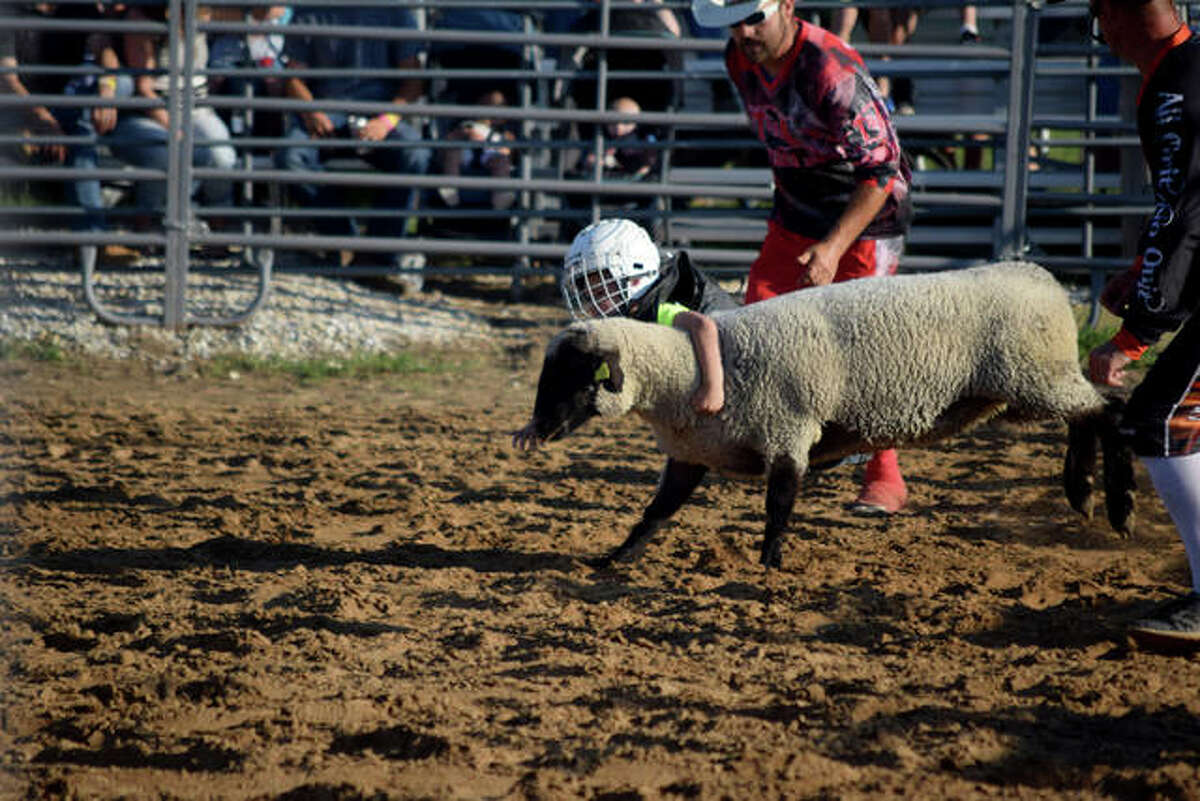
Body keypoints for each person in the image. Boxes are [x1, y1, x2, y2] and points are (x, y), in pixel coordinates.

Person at [693, 0, 913, 516]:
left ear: (787, 6)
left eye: (754, 19)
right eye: (733, 23)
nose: (743, 33)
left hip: (865, 215)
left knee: (866, 344)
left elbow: (881, 171)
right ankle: (784, 441)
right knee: (757, 319)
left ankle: (885, 473)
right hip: (796, 205)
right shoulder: (739, 60)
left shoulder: (832, 72)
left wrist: (835, 247)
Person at [1083, 0, 1200, 645]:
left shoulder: (1177, 87)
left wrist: (1135, 336)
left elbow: (1186, 219)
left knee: (1160, 416)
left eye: (1103, 8)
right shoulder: (1181, 71)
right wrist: (1142, 269)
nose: (1099, 25)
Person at [512, 218, 738, 450]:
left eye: (599, 291)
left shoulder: (658, 310)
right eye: (588, 293)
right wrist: (543, 425)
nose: (592, 302)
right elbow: (587, 390)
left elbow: (705, 327)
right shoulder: (620, 324)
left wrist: (712, 389)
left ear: (635, 279)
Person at [276, 5, 432, 290]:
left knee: (415, 154)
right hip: (324, 113)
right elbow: (293, 76)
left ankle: (377, 255)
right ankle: (346, 241)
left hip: (381, 116)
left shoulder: (397, 12)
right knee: (290, 158)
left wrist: (385, 120)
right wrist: (312, 113)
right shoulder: (308, 11)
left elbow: (413, 81)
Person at [1, 2, 131, 248]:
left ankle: (91, 242)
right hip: (13, 108)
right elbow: (6, 80)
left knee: (80, 135)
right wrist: (42, 121)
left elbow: (105, 49)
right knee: (79, 136)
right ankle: (92, 240)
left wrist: (107, 88)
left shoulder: (80, 7)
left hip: (59, 105)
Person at [108, 3, 238, 234]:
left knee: (222, 157)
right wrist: (171, 124)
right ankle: (146, 225)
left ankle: (219, 232)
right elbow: (144, 87)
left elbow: (259, 13)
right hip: (150, 115)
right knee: (165, 153)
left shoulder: (202, 12)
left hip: (198, 110)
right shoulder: (142, 20)